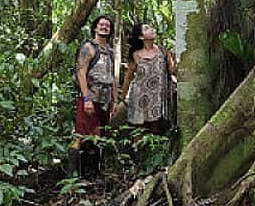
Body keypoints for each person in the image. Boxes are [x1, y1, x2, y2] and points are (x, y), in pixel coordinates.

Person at [71, 14, 118, 177]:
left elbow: (112, 77)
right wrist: (86, 99)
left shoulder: (110, 52)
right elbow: (81, 73)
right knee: (81, 134)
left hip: (105, 100)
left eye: (107, 25)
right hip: (89, 97)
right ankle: (74, 175)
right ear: (95, 28)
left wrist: (114, 101)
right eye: (101, 25)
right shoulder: (88, 48)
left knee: (99, 135)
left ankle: (93, 173)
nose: (104, 27)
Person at [119, 22, 177, 136]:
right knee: (138, 130)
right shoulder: (135, 54)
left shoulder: (163, 51)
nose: (152, 29)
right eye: (147, 28)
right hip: (139, 97)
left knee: (155, 129)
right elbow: (129, 76)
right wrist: (121, 98)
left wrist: (175, 59)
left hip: (157, 97)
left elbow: (172, 71)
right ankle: (136, 151)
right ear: (141, 37)